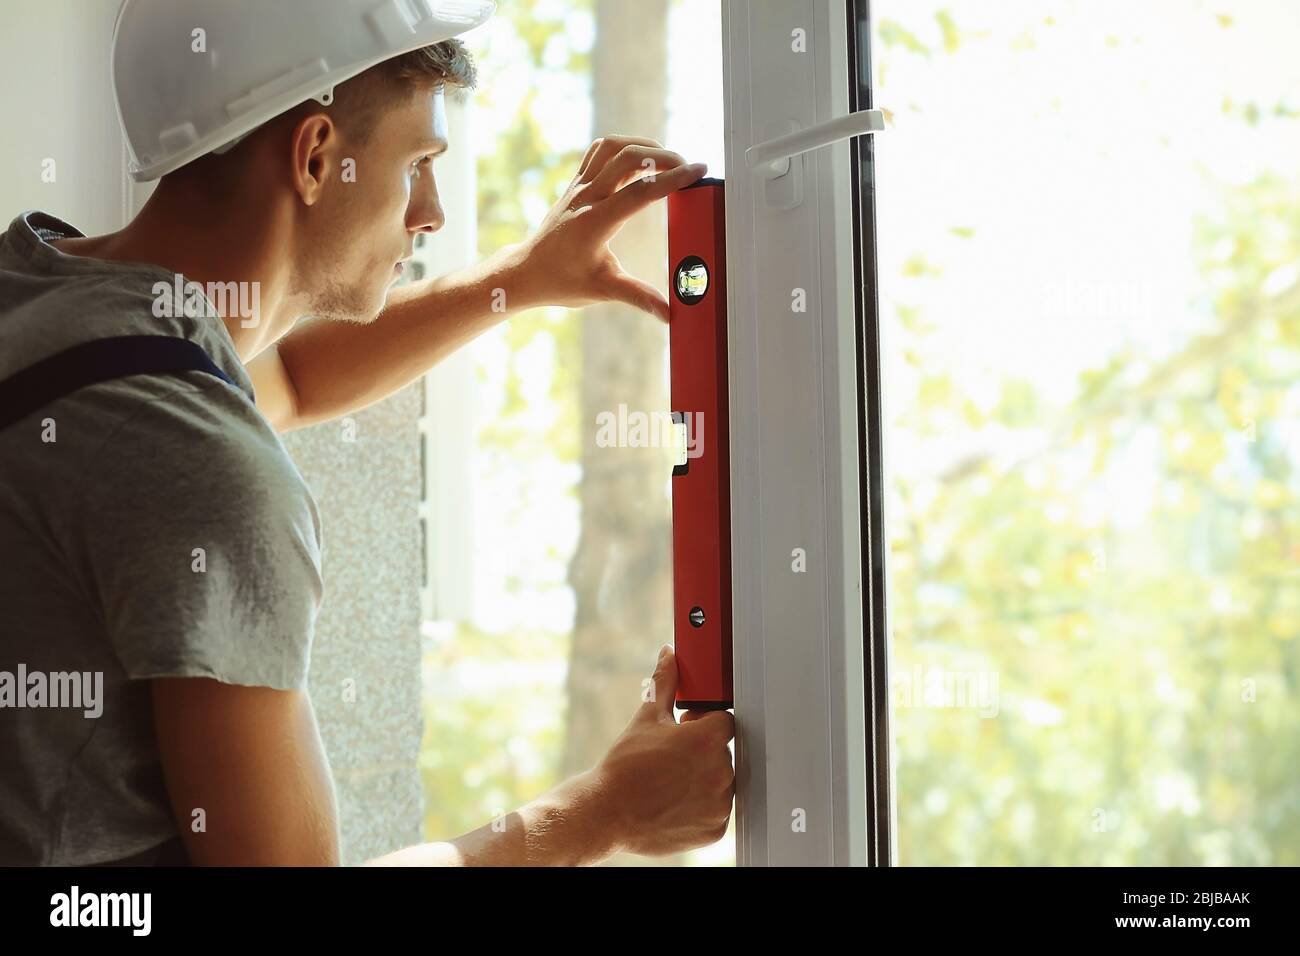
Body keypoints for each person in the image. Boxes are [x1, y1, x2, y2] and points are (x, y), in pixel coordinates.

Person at [0, 0, 733, 866]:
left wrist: (522, 279)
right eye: (419, 161)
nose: (432, 212)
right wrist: (601, 813)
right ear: (316, 157)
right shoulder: (203, 468)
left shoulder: (42, 298)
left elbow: (288, 381)